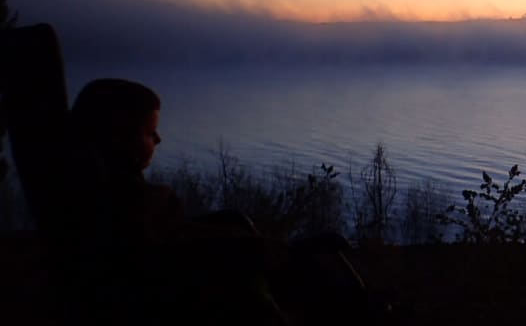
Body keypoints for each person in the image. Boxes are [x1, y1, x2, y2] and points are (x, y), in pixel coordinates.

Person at [71, 78, 385, 325]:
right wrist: (253, 248)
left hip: (174, 276)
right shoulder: (125, 205)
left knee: (242, 228)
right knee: (307, 260)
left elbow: (173, 239)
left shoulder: (101, 190)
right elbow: (160, 259)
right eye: (150, 133)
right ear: (118, 137)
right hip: (175, 294)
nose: (159, 140)